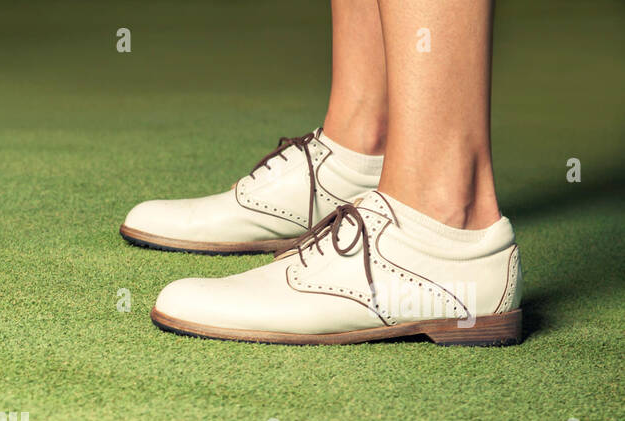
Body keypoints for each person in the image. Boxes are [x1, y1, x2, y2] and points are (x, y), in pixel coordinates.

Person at [123, 0, 522, 346]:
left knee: (441, 201)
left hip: (449, 234)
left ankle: (443, 212)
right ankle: (364, 145)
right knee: (365, 135)